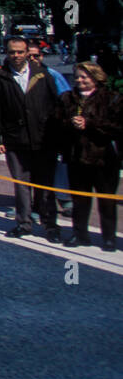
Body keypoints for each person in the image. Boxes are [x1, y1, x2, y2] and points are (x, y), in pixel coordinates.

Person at [0, 36, 63, 241]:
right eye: (12, 52)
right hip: (15, 140)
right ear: (6, 52)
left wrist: (58, 137)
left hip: (43, 139)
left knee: (45, 186)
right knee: (21, 185)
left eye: (20, 52)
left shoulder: (43, 75)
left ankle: (50, 225)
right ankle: (24, 223)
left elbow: (55, 107)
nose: (16, 56)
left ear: (27, 52)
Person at [56, 62, 120, 250]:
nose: (80, 80)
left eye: (85, 77)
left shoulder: (112, 98)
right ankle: (79, 234)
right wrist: (69, 123)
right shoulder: (67, 98)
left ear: (96, 77)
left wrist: (89, 124)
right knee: (79, 200)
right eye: (77, 76)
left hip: (104, 158)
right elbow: (56, 122)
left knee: (107, 200)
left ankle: (109, 237)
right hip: (76, 157)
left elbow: (117, 127)